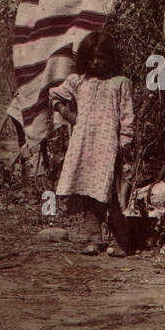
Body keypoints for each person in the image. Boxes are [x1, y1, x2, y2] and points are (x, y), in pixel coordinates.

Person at [50, 32, 135, 256]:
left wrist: (124, 140)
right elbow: (55, 96)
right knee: (89, 193)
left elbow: (127, 115)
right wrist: (68, 114)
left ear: (110, 58)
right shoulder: (78, 81)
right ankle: (94, 240)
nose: (96, 63)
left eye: (101, 57)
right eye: (91, 58)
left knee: (114, 195)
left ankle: (120, 242)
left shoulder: (120, 83)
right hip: (85, 146)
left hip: (109, 147)